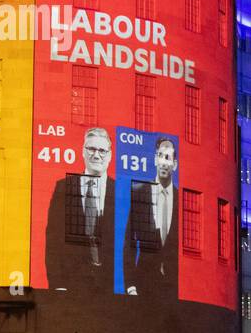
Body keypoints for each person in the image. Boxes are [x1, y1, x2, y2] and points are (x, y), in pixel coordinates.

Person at [44, 128, 117, 294]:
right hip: (72, 285)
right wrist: (58, 284)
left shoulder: (120, 190)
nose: (96, 155)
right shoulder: (64, 187)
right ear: (83, 151)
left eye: (102, 151)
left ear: (110, 155)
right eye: (91, 149)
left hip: (111, 287)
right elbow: (53, 240)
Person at [122, 137, 180, 301]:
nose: (163, 163)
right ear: (155, 160)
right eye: (160, 156)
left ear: (174, 164)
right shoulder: (139, 192)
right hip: (143, 285)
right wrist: (130, 285)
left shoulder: (180, 199)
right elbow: (129, 241)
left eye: (168, 158)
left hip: (172, 289)